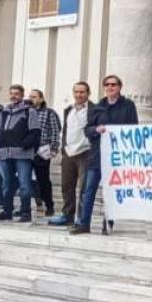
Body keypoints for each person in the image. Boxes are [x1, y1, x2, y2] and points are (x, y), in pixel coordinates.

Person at [72, 75, 139, 235]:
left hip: (116, 157)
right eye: (107, 85)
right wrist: (96, 130)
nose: (110, 87)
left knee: (111, 192)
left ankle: (107, 224)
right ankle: (83, 224)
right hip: (97, 156)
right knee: (89, 190)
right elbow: (87, 129)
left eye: (113, 84)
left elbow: (134, 129)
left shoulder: (128, 105)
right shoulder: (98, 106)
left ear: (119, 87)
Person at [0, 85, 41, 223]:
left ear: (22, 95)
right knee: (6, 183)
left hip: (23, 154)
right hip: (5, 153)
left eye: (17, 94)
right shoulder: (4, 112)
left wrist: (23, 145)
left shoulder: (29, 111)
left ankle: (26, 212)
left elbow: (35, 132)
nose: (14, 96)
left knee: (24, 183)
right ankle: (7, 210)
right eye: (12, 93)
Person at [50, 82, 93, 226]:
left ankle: (81, 218)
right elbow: (66, 130)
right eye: (76, 92)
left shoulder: (94, 109)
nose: (79, 95)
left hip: (85, 152)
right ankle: (67, 215)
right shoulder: (68, 110)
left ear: (88, 93)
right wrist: (63, 149)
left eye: (82, 92)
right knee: (66, 186)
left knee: (83, 187)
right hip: (68, 152)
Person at [29, 89, 61, 217]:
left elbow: (55, 130)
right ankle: (37, 204)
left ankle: (49, 205)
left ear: (41, 99)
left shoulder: (49, 113)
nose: (31, 99)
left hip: (42, 150)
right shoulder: (26, 112)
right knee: (28, 179)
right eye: (30, 97)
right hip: (27, 150)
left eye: (34, 97)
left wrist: (54, 148)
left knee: (43, 180)